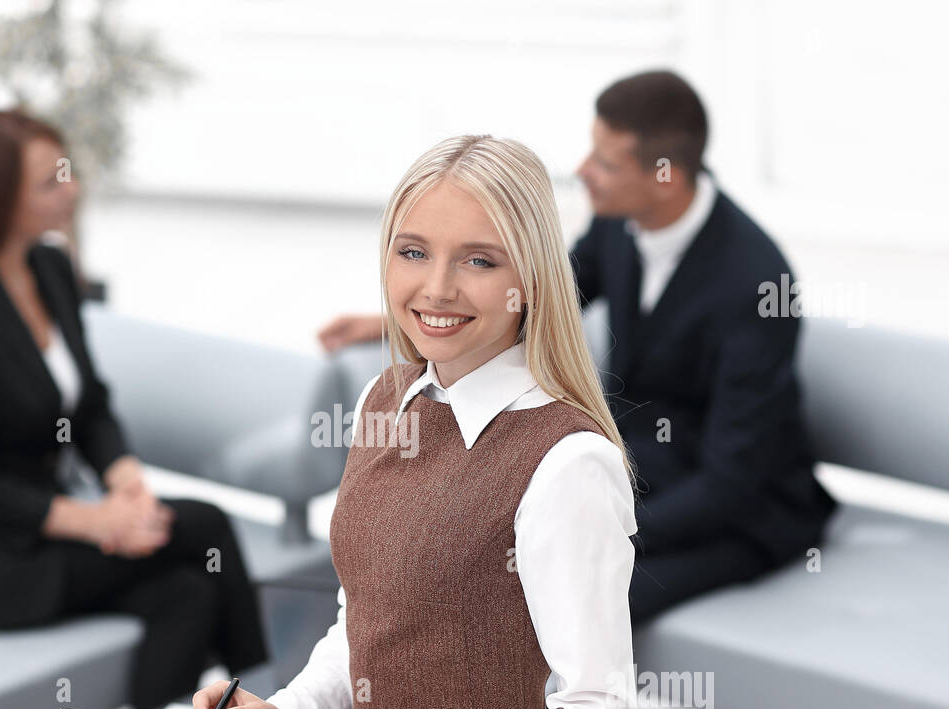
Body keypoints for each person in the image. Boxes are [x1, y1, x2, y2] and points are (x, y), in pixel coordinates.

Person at [185, 134, 641, 709]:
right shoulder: (383, 399)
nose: (436, 289)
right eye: (413, 252)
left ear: (532, 277)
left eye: (480, 261)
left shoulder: (566, 462)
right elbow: (368, 621)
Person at [318, 70, 836, 626]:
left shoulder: (757, 282)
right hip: (642, 467)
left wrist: (601, 524)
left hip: (740, 511)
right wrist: (417, 315)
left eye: (606, 162)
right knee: (466, 561)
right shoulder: (619, 224)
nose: (584, 171)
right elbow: (543, 293)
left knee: (574, 601)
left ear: (665, 178)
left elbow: (732, 479)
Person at [0, 107, 269, 709]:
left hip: (51, 528)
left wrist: (125, 483)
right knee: (205, 527)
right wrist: (97, 522)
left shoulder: (48, 267)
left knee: (185, 593)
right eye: (50, 182)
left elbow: (88, 405)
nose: (71, 189)